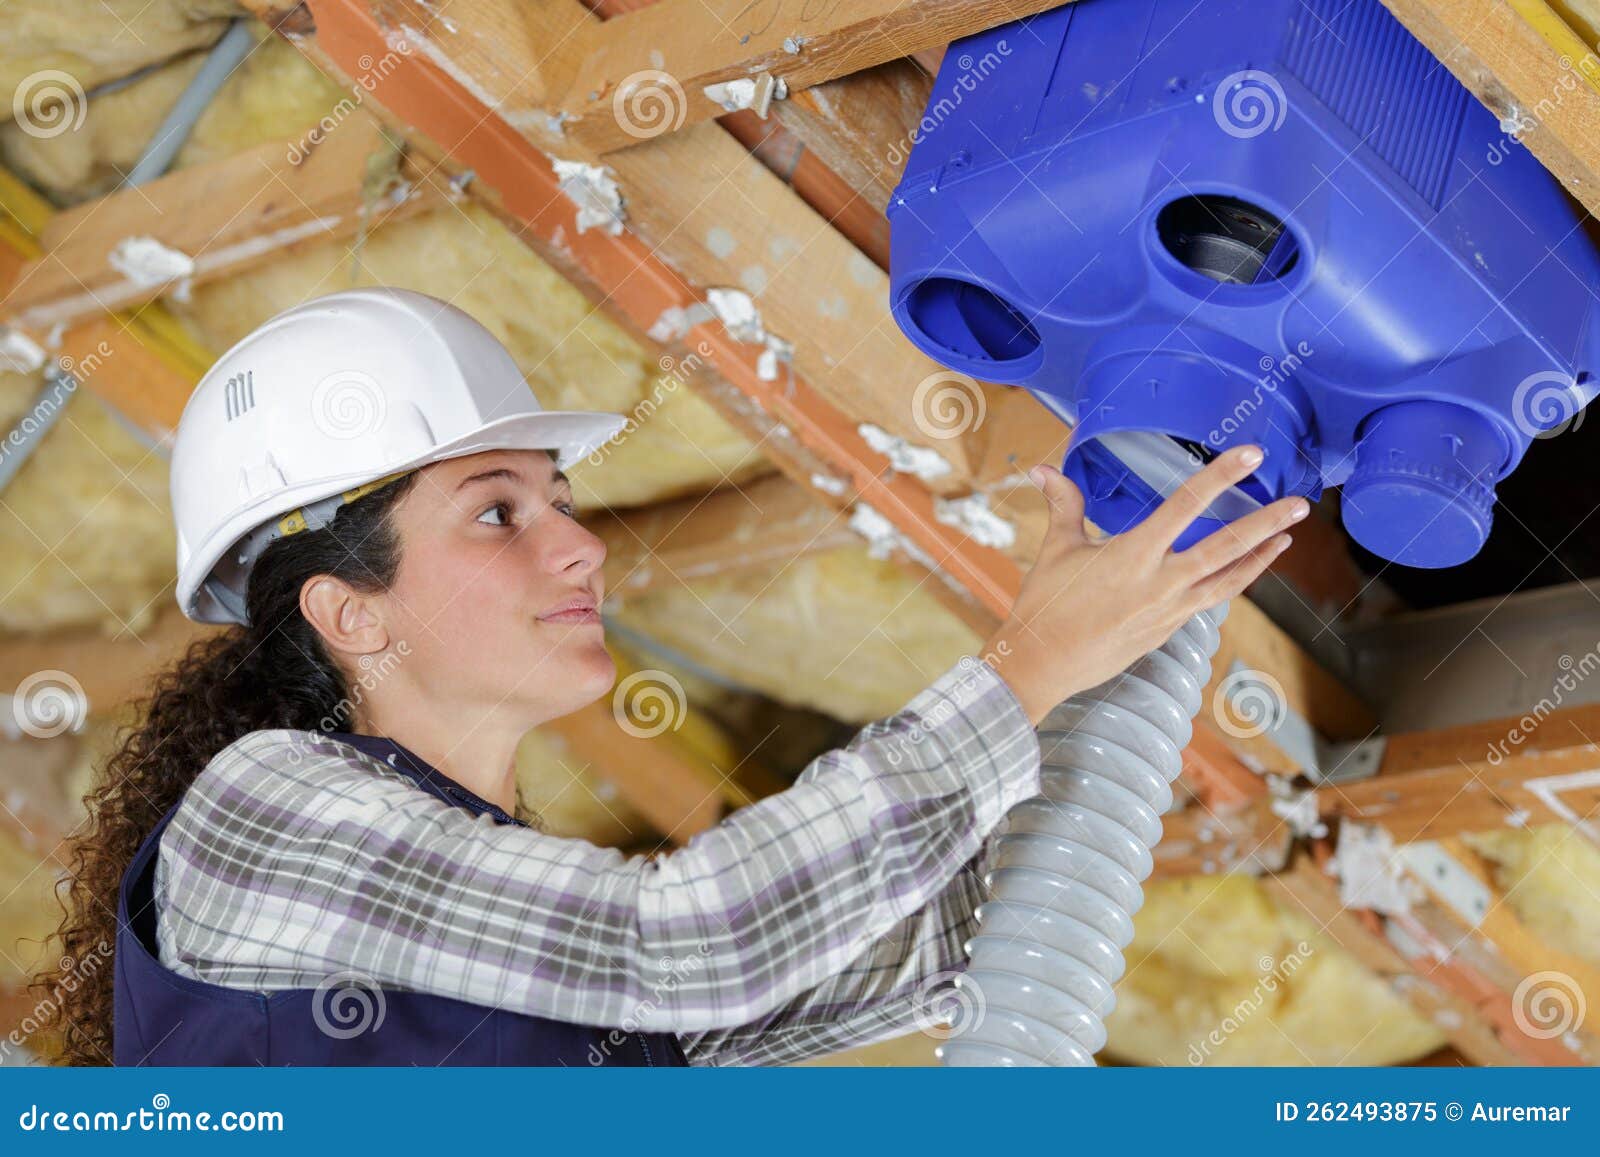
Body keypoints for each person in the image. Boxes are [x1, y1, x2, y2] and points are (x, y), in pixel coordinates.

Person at [36, 288, 1307, 1066]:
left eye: (561, 499)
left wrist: (1102, 651)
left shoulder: (538, 971)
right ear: (347, 610)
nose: (580, 539)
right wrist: (1026, 663)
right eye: (497, 511)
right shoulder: (259, 811)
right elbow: (699, 940)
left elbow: (905, 948)